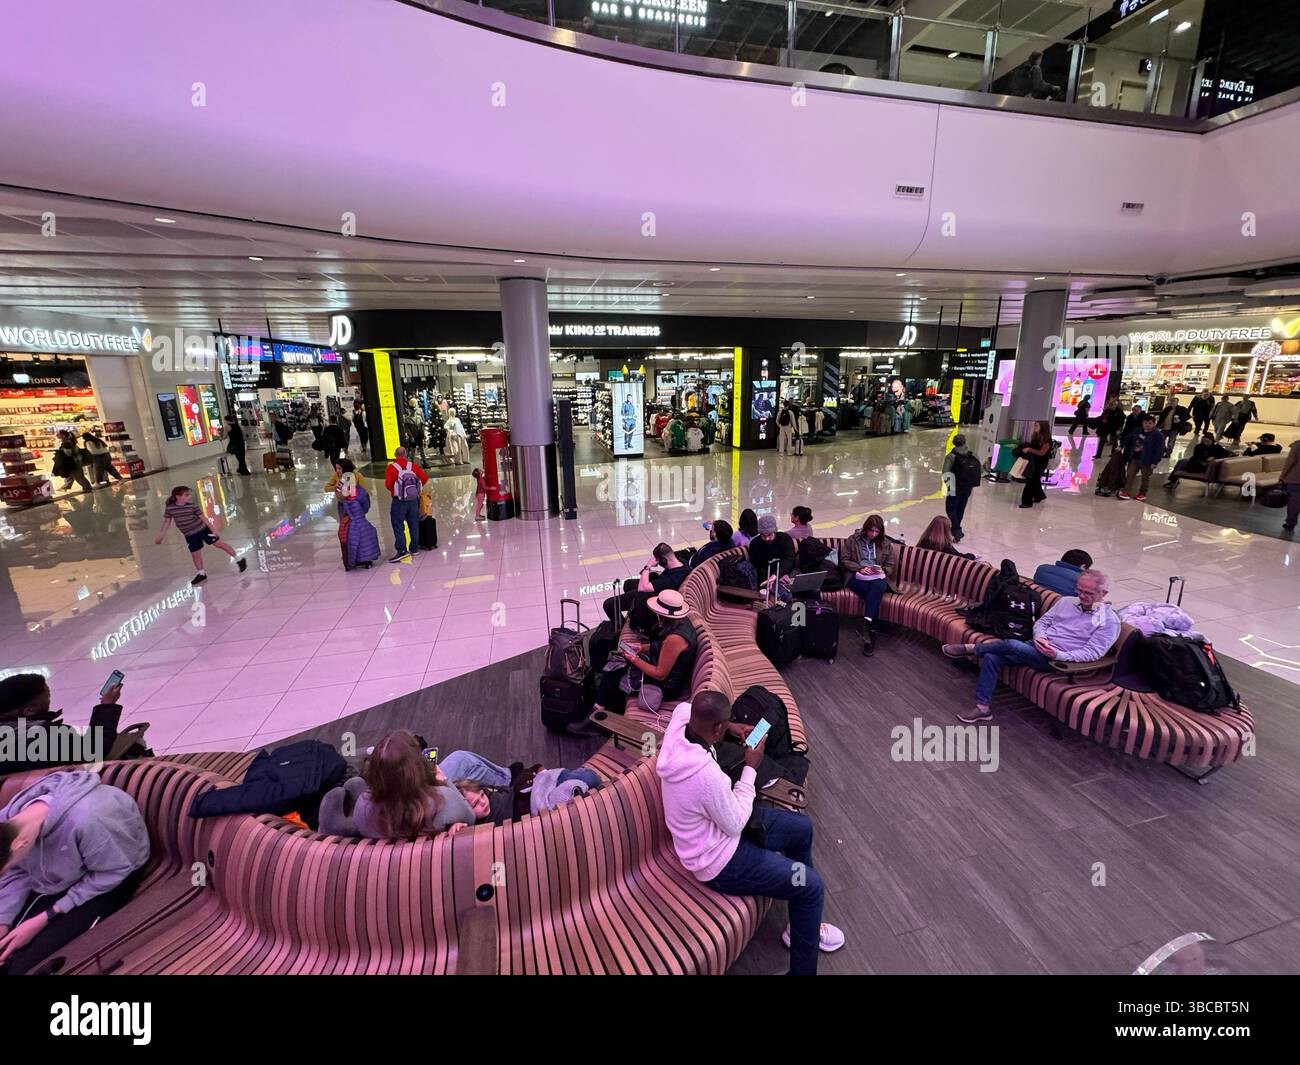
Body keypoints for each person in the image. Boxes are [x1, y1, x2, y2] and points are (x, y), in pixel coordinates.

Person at [656, 690, 843, 975]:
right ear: (715, 727)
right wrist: (751, 767)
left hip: (720, 827)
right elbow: (736, 823)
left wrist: (730, 727)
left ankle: (799, 929)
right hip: (719, 860)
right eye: (727, 722)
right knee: (811, 886)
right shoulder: (706, 776)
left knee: (801, 828)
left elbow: (685, 706)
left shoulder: (679, 726)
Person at [0, 769, 151, 975]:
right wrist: (4, 919)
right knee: (6, 948)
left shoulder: (90, 820)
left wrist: (46, 916)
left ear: (20, 845)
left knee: (22, 965)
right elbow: (17, 871)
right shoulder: (9, 820)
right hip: (60, 874)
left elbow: (114, 871)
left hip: (113, 875)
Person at [943, 569, 1120, 724]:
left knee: (1012, 644)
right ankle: (982, 708)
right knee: (992, 657)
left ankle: (972, 649)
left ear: (1103, 593)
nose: (1081, 596)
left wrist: (1058, 654)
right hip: (1035, 646)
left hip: (1056, 660)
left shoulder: (1109, 621)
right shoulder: (1067, 602)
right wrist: (1041, 637)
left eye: (1088, 593)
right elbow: (1042, 622)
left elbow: (1093, 653)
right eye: (1079, 590)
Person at [328, 731, 475, 840]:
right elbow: (470, 815)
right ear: (418, 767)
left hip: (403, 865)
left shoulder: (362, 808)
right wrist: (445, 780)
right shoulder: (443, 800)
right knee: (462, 759)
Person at [596, 589, 699, 715]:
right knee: (617, 665)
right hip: (668, 673)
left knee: (615, 670)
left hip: (668, 686)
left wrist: (634, 658)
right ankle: (602, 704)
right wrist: (642, 648)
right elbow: (663, 648)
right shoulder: (682, 622)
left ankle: (601, 708)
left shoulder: (675, 639)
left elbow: (660, 674)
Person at [155, 485, 247, 585]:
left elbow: (204, 519)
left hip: (203, 530)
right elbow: (167, 522)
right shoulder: (170, 508)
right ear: (178, 496)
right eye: (186, 495)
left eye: (189, 494)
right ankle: (201, 573)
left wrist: (213, 529)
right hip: (189, 535)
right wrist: (161, 535)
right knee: (195, 554)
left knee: (219, 544)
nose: (189, 497)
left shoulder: (192, 506)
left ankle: (239, 560)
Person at [839, 513, 896, 656]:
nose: (873, 534)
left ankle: (867, 628)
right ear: (866, 529)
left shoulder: (885, 543)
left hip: (876, 577)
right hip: (855, 575)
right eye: (871, 530)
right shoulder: (854, 540)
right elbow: (844, 559)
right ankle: (870, 630)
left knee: (878, 587)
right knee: (876, 593)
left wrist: (881, 569)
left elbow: (890, 565)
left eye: (877, 531)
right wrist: (859, 568)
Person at [602, 542, 688, 622]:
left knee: (609, 604)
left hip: (652, 596)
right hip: (657, 587)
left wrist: (648, 566)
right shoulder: (681, 561)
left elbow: (642, 588)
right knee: (628, 584)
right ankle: (633, 610)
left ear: (663, 560)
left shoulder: (671, 579)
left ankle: (622, 627)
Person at [384, 446, 429, 562]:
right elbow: (424, 478)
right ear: (406, 454)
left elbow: (388, 485)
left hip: (399, 501)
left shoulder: (391, 468)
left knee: (398, 524)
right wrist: (416, 489)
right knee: (413, 524)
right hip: (414, 500)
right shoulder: (412, 466)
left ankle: (402, 550)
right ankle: (414, 549)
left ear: (395, 454)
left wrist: (396, 489)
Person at [335, 467, 381, 571]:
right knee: (368, 535)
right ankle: (366, 559)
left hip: (350, 523)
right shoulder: (361, 492)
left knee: (351, 540)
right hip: (361, 521)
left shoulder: (343, 497)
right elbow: (366, 507)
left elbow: (340, 506)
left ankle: (353, 560)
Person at [941, 433, 979, 541]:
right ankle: (956, 532)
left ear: (954, 443)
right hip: (968, 487)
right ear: (965, 442)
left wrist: (949, 487)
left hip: (954, 486)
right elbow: (980, 471)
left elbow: (945, 473)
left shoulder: (951, 456)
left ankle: (956, 530)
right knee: (960, 508)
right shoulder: (973, 455)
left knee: (950, 508)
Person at [1117, 413, 1164, 501]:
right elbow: (1128, 438)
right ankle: (1126, 491)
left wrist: (1155, 462)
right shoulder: (1137, 430)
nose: (1147, 425)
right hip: (1134, 458)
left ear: (1154, 424)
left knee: (1145, 477)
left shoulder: (1157, 435)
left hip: (1147, 461)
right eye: (1145, 422)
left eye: (1150, 423)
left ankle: (1142, 493)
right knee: (1130, 475)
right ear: (1142, 423)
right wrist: (1121, 446)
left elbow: (1159, 450)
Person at [1164, 432, 1232, 489]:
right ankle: (1173, 480)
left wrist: (1214, 457)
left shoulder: (1217, 448)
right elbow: (1197, 456)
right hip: (1197, 462)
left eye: (1208, 441)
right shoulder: (1199, 447)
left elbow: (1227, 454)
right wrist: (1205, 458)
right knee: (1182, 462)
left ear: (1212, 441)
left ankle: (1173, 481)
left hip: (1205, 465)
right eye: (1204, 441)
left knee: (1185, 464)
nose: (1205, 443)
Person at [748, 513, 796, 580]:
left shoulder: (785, 539)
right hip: (766, 577)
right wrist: (774, 577)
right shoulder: (755, 544)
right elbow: (757, 567)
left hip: (786, 573)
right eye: (763, 536)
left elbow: (788, 559)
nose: (767, 538)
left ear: (775, 531)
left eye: (770, 535)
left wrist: (778, 575)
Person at [1018, 421, 1053, 509]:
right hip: (1034, 462)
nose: (1034, 427)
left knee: (1031, 481)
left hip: (1040, 463)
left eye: (1037, 425)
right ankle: (1039, 495)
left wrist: (1029, 449)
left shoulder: (1047, 440)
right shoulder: (1036, 436)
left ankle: (1027, 502)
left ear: (1042, 427)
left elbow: (1042, 453)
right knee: (1035, 480)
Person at [1281, 439, 1300, 532]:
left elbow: (1290, 462)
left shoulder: (1297, 445)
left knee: (1295, 501)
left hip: (1296, 478)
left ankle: (1290, 522)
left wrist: (1282, 476)